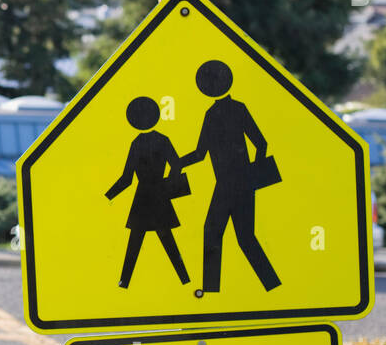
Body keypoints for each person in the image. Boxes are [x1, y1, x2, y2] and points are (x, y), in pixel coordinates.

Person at [179, 59, 281, 294]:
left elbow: (200, 154)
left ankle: (212, 291)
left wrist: (177, 163)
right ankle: (272, 286)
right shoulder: (234, 109)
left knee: (215, 233)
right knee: (243, 238)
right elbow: (261, 144)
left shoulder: (214, 114)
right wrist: (253, 175)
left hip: (228, 184)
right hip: (240, 183)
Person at [105, 96, 190, 289]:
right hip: (159, 196)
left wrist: (108, 195)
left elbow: (127, 178)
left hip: (143, 198)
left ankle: (124, 282)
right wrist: (168, 186)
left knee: (136, 242)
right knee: (166, 239)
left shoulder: (137, 143)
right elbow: (177, 165)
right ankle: (184, 279)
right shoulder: (162, 140)